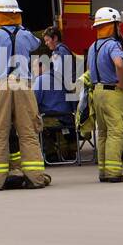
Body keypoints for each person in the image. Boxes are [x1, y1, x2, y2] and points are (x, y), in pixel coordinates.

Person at [0, 0, 50, 190]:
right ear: (18, 16)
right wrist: (19, 25)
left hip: (1, 86)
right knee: (28, 132)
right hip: (23, 85)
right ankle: (35, 178)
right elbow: (35, 43)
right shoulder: (25, 35)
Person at [86, 7, 123, 183]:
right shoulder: (113, 45)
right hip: (112, 92)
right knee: (116, 131)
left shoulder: (93, 47)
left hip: (97, 92)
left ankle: (103, 171)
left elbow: (89, 70)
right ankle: (114, 172)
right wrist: (121, 82)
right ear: (111, 25)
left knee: (103, 132)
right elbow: (119, 65)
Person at [35, 26, 78, 162]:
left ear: (55, 38)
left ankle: (50, 151)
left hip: (57, 111)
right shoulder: (64, 50)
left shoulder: (59, 52)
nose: (46, 43)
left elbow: (60, 75)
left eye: (47, 40)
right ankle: (68, 149)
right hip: (68, 107)